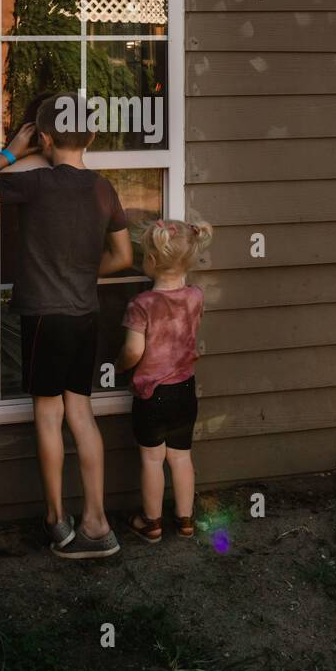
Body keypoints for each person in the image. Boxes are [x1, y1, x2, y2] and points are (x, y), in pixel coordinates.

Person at [0, 93, 133, 559]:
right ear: (90, 136)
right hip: (83, 315)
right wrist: (81, 272)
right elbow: (124, 257)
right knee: (81, 414)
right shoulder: (103, 189)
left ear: (46, 139)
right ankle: (99, 522)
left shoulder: (36, 183)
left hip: (45, 319)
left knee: (49, 418)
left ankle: (56, 521)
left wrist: (13, 151)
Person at [115, 218, 213, 543]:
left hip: (152, 394)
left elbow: (133, 350)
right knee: (182, 455)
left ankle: (151, 522)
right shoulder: (196, 296)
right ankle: (185, 520)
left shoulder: (142, 305)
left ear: (152, 262)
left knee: (152, 459)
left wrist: (118, 366)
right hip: (185, 391)